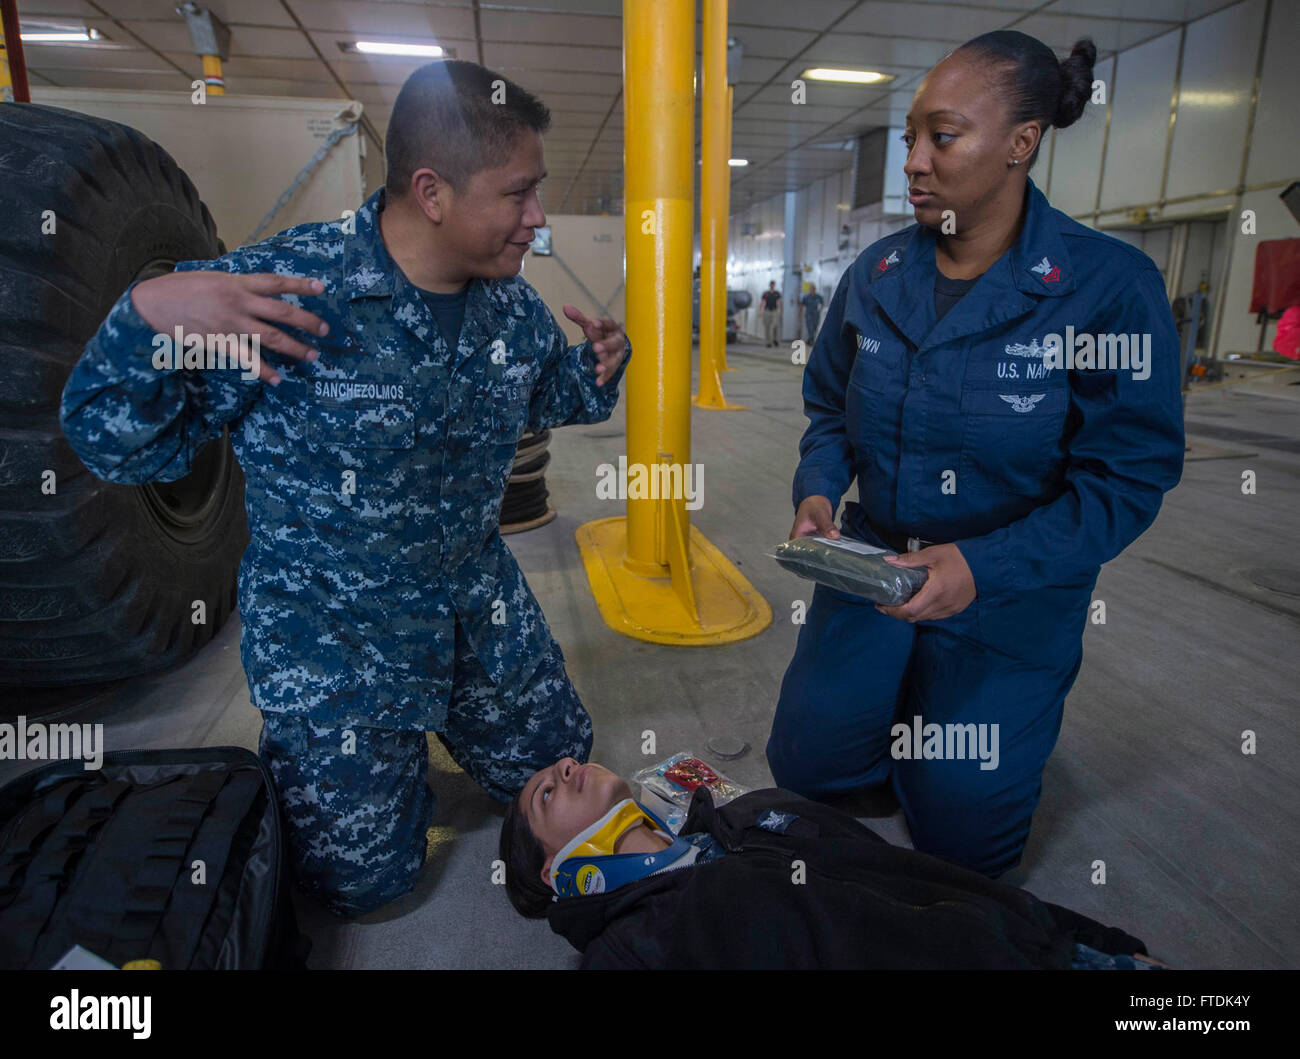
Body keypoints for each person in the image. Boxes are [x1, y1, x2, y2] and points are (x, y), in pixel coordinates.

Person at [59, 60, 631, 918]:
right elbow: (116, 444)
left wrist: (598, 369)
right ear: (432, 191)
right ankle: (330, 749)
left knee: (565, 769)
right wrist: (145, 316)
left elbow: (551, 393)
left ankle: (415, 740)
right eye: (519, 194)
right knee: (368, 884)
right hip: (337, 640)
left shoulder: (511, 309)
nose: (538, 218)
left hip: (475, 608)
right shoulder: (287, 295)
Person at [767, 31, 1184, 878]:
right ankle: (897, 704)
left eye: (942, 137)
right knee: (806, 767)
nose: (914, 161)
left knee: (963, 844)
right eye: (910, 135)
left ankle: (965, 720)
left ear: (1021, 144)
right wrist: (819, 490)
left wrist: (984, 567)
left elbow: (1126, 477)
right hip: (876, 566)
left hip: (1009, 593)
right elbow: (827, 404)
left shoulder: (1108, 288)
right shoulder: (877, 272)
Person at [499, 756, 1170, 970]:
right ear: (558, 868)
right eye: (547, 792)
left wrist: (1083, 940)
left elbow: (919, 875)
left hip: (1036, 945)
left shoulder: (744, 816)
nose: (564, 765)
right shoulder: (629, 947)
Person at [759, 280, 782, 346]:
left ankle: (775, 339)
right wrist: (760, 310)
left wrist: (780, 311)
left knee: (774, 326)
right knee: (767, 327)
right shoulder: (766, 293)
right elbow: (763, 302)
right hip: (767, 311)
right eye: (771, 284)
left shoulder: (777, 293)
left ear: (774, 285)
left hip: (774, 311)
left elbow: (779, 302)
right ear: (770, 285)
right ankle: (768, 342)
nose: (772, 286)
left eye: (773, 285)